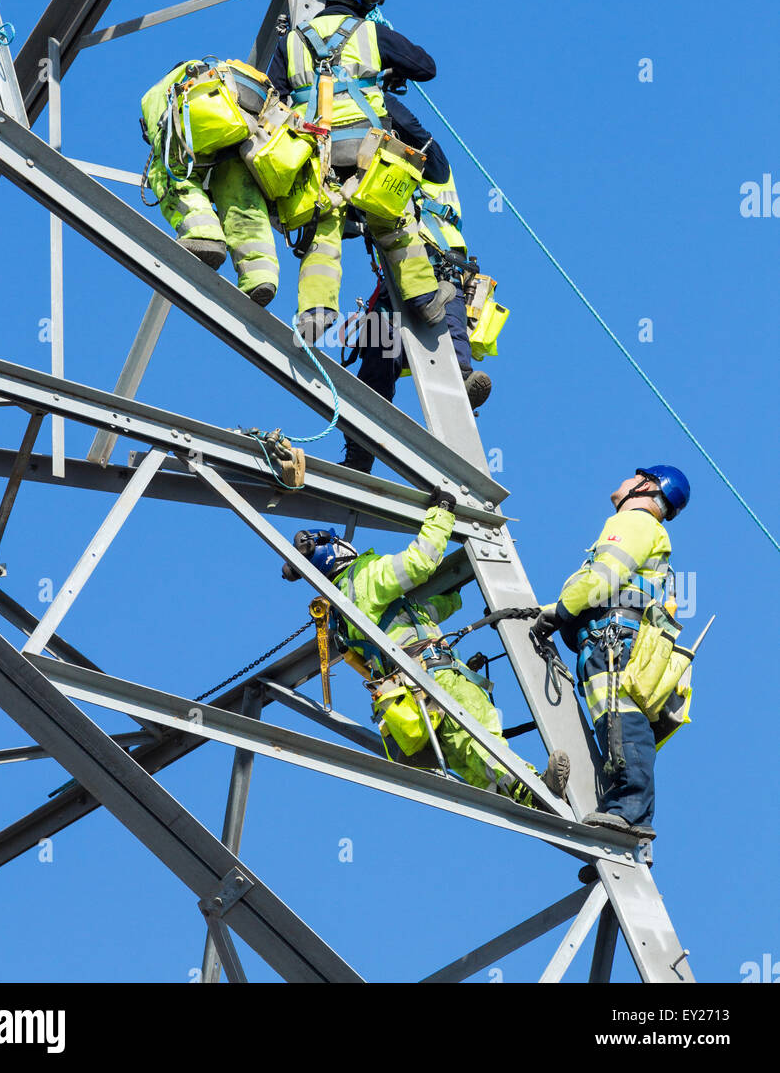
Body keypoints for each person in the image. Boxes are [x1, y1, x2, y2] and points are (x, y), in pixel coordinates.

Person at [282, 490, 570, 803]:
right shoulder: (365, 575)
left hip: (412, 698)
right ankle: (535, 790)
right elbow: (421, 561)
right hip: (433, 675)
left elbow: (410, 619)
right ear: (333, 548)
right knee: (477, 737)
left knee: (465, 754)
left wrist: (453, 594)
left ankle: (526, 802)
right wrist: (442, 512)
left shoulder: (341, 610)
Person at [267, 0, 452, 340]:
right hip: (368, 147)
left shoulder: (292, 41)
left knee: (323, 233)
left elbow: (273, 96)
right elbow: (426, 67)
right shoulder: (370, 32)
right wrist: (388, 62)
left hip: (315, 153)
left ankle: (315, 315)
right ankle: (426, 301)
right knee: (394, 223)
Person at [534, 465, 691, 839]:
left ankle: (629, 812)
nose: (621, 481)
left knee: (621, 720)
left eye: (631, 476)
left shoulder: (635, 522)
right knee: (614, 723)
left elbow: (605, 576)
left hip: (614, 641)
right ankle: (619, 813)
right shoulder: (647, 528)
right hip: (612, 639)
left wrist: (560, 611)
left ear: (646, 486)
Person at [341, 94, 492, 472]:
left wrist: (364, 90)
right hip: (393, 285)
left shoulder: (431, 165)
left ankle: (461, 382)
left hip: (440, 269)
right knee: (375, 364)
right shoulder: (376, 175)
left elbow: (415, 131)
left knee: (445, 326)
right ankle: (362, 444)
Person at [141, 59, 279, 306]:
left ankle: (203, 235)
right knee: (241, 195)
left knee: (168, 172)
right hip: (243, 127)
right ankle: (259, 275)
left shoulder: (162, 90)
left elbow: (163, 139)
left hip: (203, 124)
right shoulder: (226, 74)